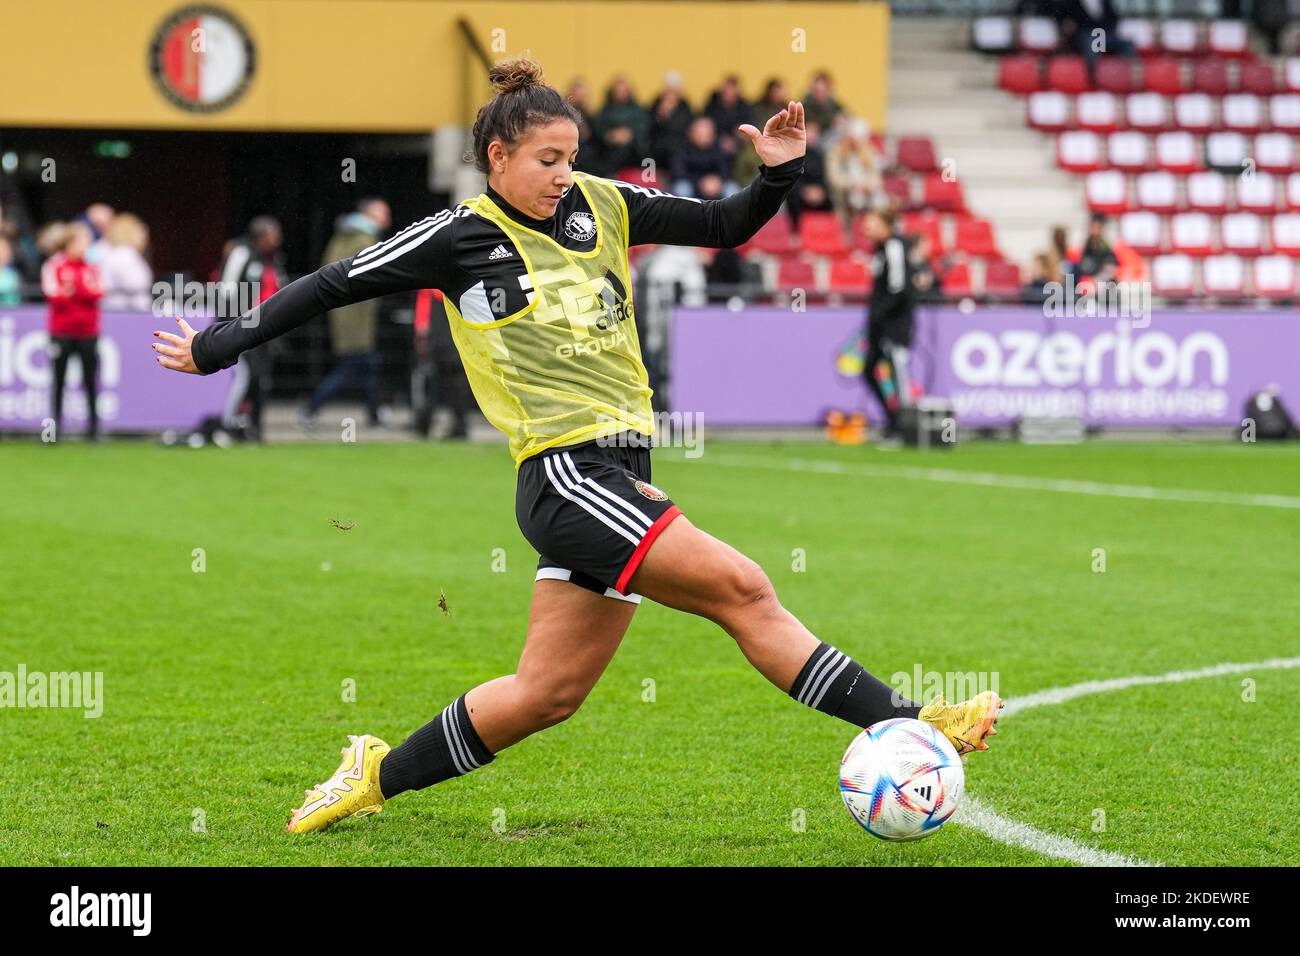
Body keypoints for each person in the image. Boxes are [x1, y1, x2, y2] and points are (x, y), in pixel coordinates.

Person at [152, 56, 1002, 835]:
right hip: (567, 473)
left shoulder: (603, 202)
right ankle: (916, 722)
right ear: (495, 157)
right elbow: (333, 283)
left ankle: (374, 773)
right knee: (743, 589)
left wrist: (778, 172)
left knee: (545, 695)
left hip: (621, 470)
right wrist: (215, 347)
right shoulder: (458, 235)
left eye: (569, 157)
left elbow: (723, 223)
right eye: (545, 160)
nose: (563, 175)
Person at [300, 199, 392, 430]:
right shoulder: (364, 240)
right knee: (352, 366)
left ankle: (375, 415)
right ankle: (311, 409)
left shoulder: (343, 237)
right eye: (382, 214)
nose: (386, 219)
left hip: (347, 314)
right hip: (356, 318)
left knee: (367, 367)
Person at [217, 216, 285, 441]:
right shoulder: (241, 252)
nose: (277, 240)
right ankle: (230, 425)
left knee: (261, 380)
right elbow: (226, 290)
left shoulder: (272, 259)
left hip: (266, 329)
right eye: (273, 235)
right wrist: (233, 326)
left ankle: (256, 429)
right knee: (243, 377)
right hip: (244, 327)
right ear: (261, 235)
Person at [42, 222, 103, 440]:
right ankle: (53, 430)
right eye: (80, 242)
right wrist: (78, 291)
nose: (85, 247)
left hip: (88, 332)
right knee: (59, 380)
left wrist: (75, 290)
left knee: (90, 379)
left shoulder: (91, 267)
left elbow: (97, 293)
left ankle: (93, 430)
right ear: (68, 243)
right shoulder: (54, 265)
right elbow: (53, 295)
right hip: (62, 332)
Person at [862, 208, 915, 441]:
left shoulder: (894, 248)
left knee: (897, 375)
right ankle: (893, 422)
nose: (867, 229)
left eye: (872, 224)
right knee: (869, 371)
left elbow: (899, 288)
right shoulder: (880, 251)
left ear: (887, 226)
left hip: (894, 326)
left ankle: (904, 428)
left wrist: (882, 316)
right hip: (879, 325)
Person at [97, 212, 153, 312]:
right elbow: (135, 284)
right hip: (124, 310)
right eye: (141, 232)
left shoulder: (115, 252)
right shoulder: (125, 254)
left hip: (116, 307)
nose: (145, 237)